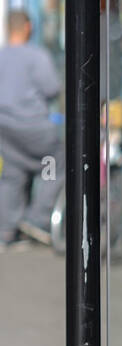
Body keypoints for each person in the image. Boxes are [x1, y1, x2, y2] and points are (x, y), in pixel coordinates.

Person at [0, 9, 62, 249]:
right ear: (27, 27)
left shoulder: (2, 56)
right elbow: (52, 89)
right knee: (55, 164)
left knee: (12, 174)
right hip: (34, 128)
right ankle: (37, 219)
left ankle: (7, 230)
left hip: (5, 128)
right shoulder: (37, 56)